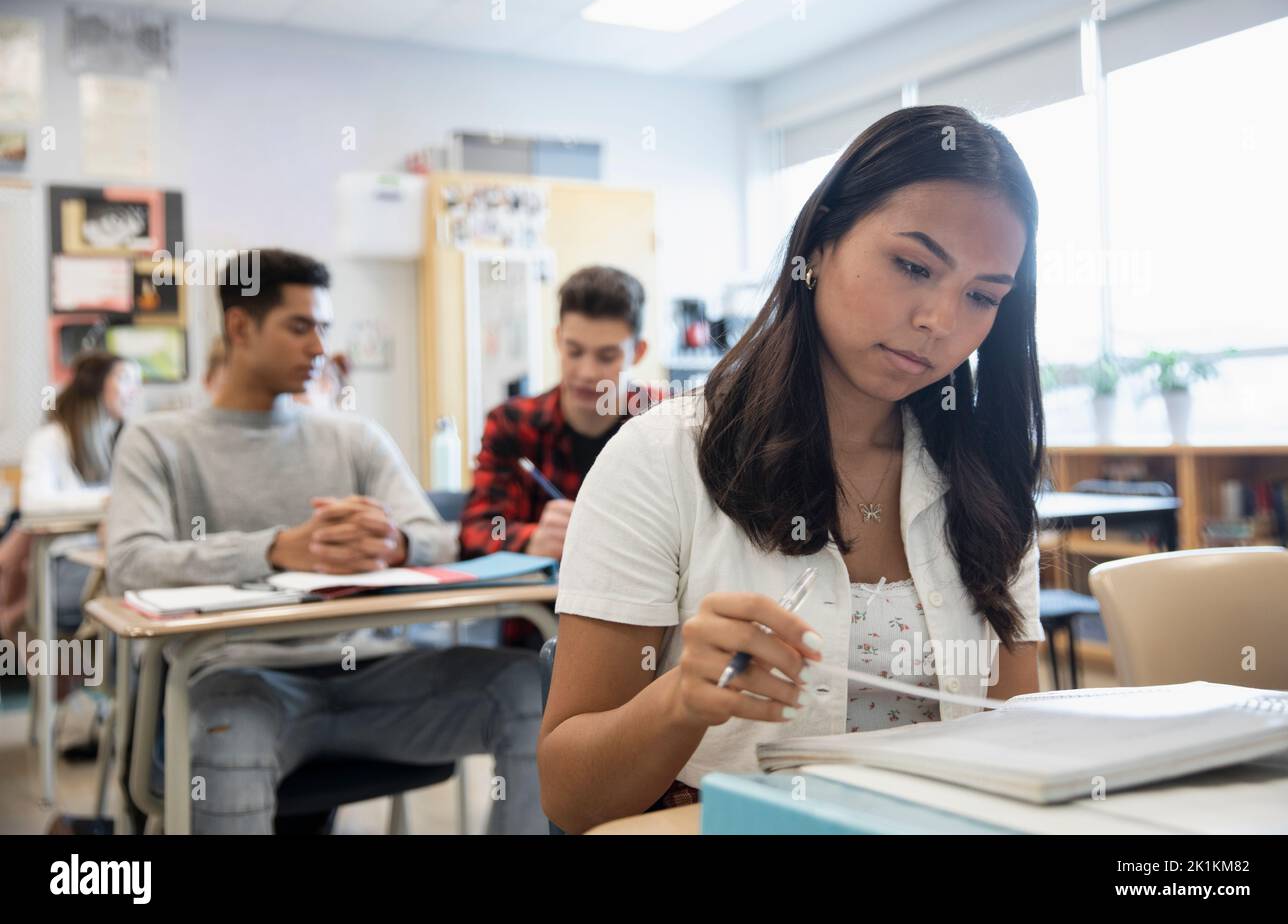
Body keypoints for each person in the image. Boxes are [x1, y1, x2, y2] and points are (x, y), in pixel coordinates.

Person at [538, 105, 1048, 833]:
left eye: (983, 296)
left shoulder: (985, 476)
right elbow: (570, 794)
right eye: (912, 265)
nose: (939, 319)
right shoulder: (660, 457)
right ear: (821, 240)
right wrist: (681, 696)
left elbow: (1015, 740)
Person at [105, 248, 547, 834]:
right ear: (240, 327)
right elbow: (132, 564)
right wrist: (274, 549)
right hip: (244, 682)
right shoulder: (157, 442)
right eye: (299, 327)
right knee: (227, 734)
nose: (319, 347)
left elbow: (439, 539)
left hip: (379, 677)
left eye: (324, 328)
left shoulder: (355, 439)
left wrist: (396, 546)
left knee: (527, 687)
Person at [459, 265, 660, 647]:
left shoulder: (666, 423)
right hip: (538, 636)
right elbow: (473, 532)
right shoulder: (512, 424)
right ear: (557, 339)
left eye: (606, 356)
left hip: (644, 629)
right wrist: (532, 539)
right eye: (574, 351)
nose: (586, 372)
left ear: (639, 351)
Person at [1, 352, 140, 639]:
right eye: (125, 379)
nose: (133, 391)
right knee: (135, 590)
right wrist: (107, 501)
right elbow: (33, 504)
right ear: (96, 384)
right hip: (65, 565)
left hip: (103, 558)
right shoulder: (51, 439)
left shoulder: (118, 440)